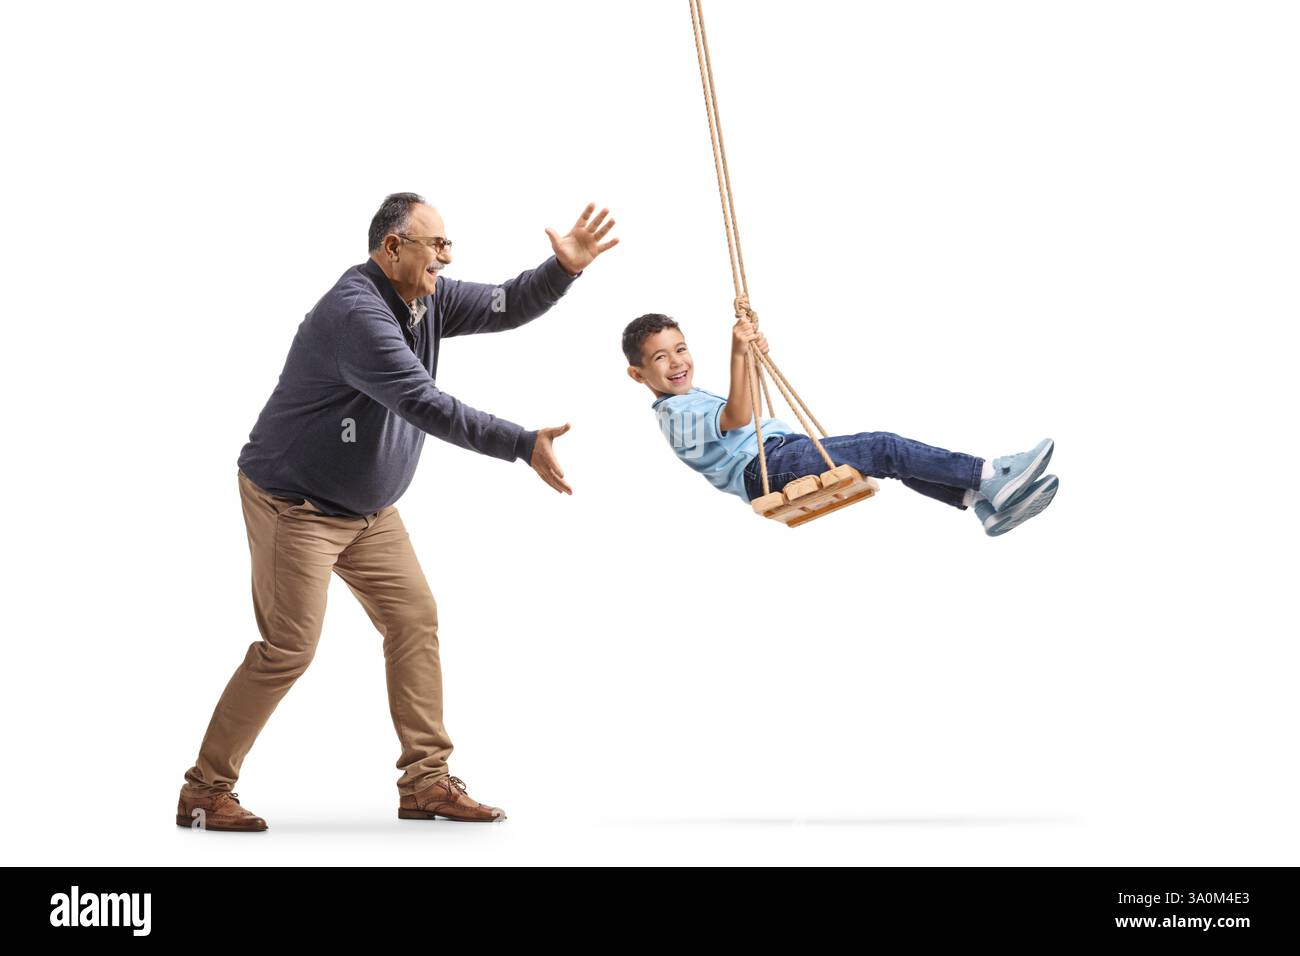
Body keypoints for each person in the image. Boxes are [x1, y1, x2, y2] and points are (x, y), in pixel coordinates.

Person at [177, 193, 618, 830]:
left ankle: (426, 783)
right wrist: (522, 443)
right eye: (435, 245)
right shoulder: (357, 316)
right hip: (295, 506)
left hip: (369, 512)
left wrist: (564, 269)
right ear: (393, 248)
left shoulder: (425, 295)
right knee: (289, 648)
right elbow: (424, 402)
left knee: (414, 620)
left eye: (446, 246)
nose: (446, 256)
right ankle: (203, 789)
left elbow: (505, 303)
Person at [623, 305, 1058, 536]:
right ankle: (989, 474)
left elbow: (740, 410)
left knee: (889, 463)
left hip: (773, 460)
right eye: (660, 357)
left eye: (681, 348)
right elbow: (740, 414)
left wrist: (750, 359)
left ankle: (976, 501)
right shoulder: (674, 415)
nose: (677, 362)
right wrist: (737, 353)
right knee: (884, 446)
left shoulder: (687, 400)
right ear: (638, 374)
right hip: (769, 468)